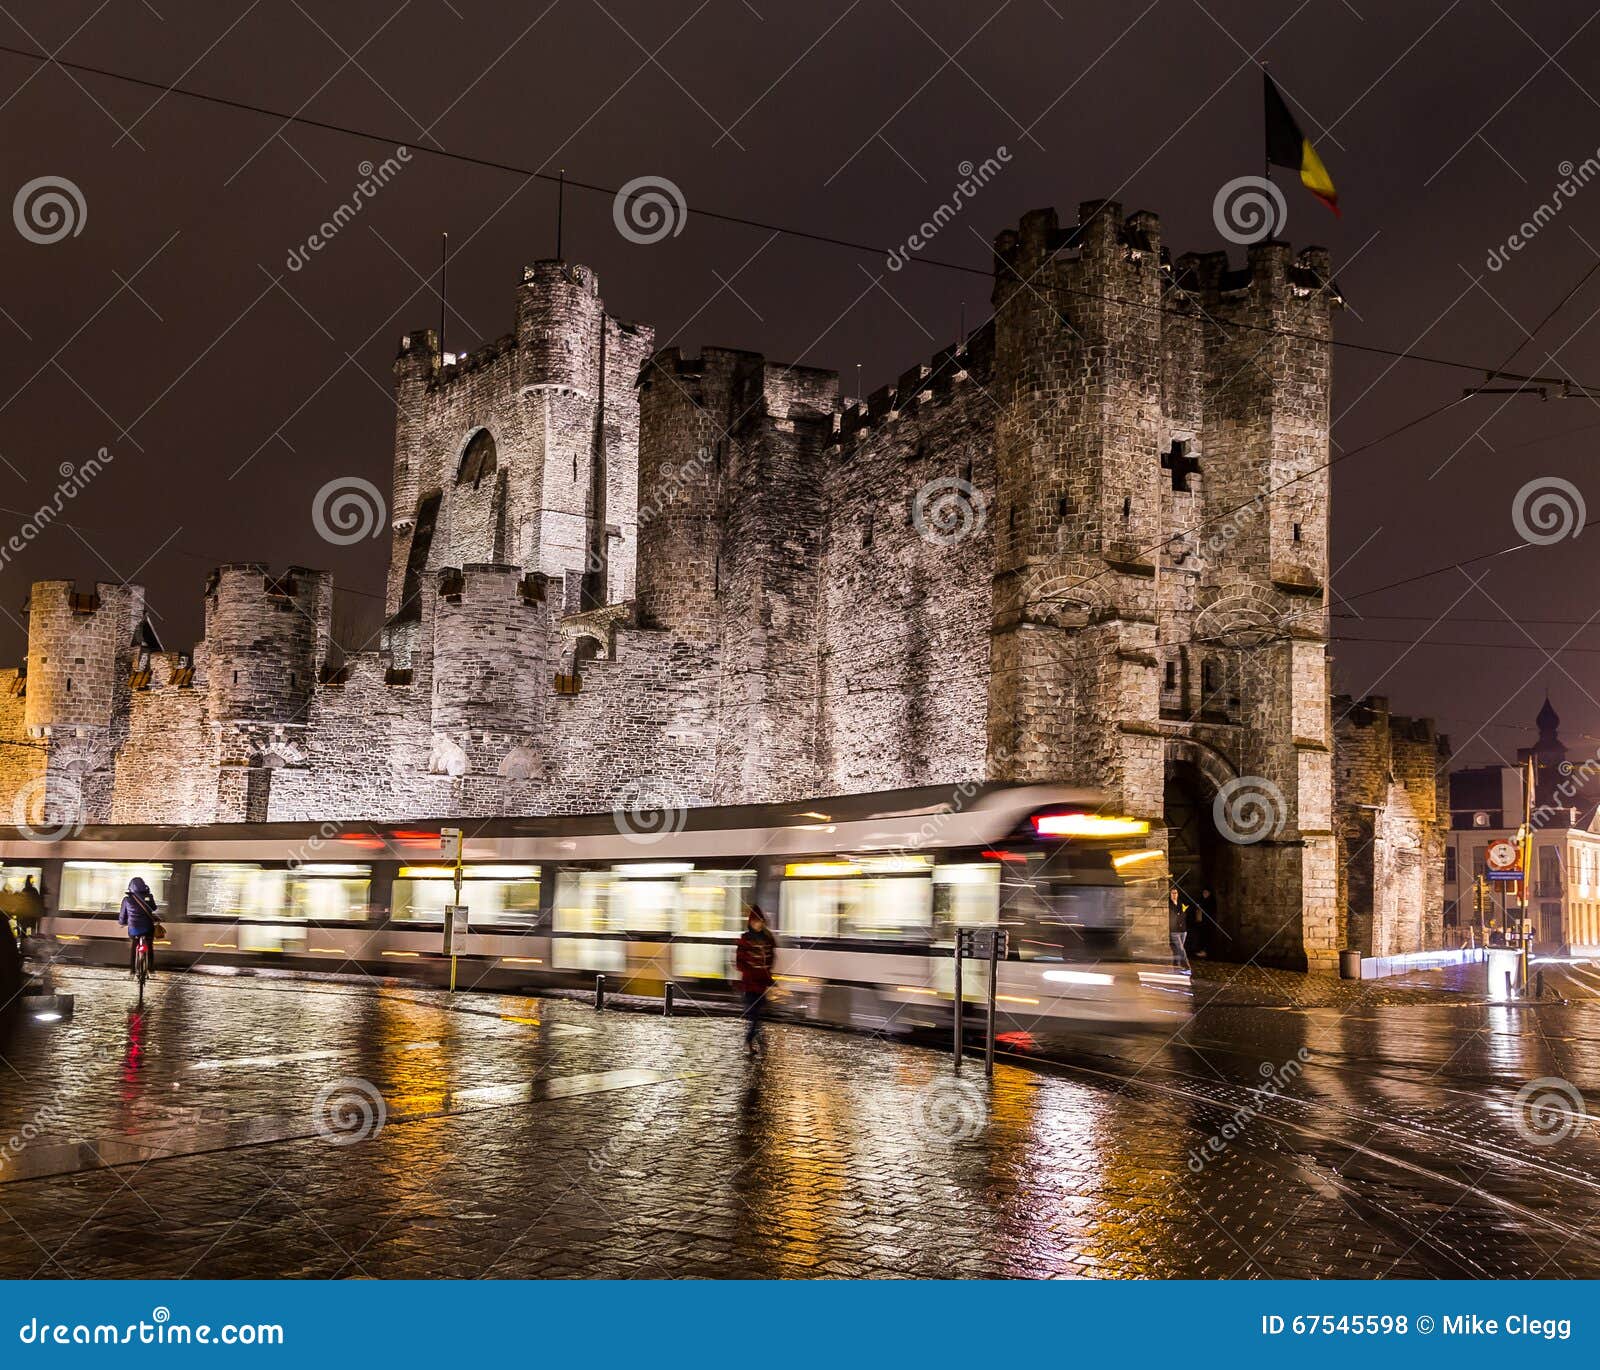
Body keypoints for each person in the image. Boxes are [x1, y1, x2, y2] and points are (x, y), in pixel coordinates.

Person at [735, 905, 777, 1055]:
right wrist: (753, 973)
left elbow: (768, 963)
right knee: (755, 1016)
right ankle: (750, 1042)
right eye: (756, 921)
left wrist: (769, 979)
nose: (759, 924)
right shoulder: (745, 940)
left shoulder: (766, 940)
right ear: (751, 922)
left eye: (761, 921)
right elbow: (740, 964)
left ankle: (757, 1042)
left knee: (758, 1015)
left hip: (761, 985)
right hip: (750, 986)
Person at [118, 876, 158, 977]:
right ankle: (151, 968)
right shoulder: (148, 896)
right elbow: (154, 908)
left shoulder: (127, 900)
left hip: (134, 929)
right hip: (148, 928)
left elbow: (123, 915)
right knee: (149, 945)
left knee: (134, 945)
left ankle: (132, 970)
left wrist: (122, 922)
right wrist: (148, 899)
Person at [1167, 884, 1191, 969]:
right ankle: (1186, 964)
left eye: (1175, 893)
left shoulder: (1181, 903)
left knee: (1178, 949)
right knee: (1180, 948)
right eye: (1172, 893)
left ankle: (1176, 964)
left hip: (1183, 930)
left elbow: (1184, 914)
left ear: (1178, 894)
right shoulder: (1168, 904)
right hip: (1174, 930)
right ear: (1170, 894)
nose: (1174, 895)